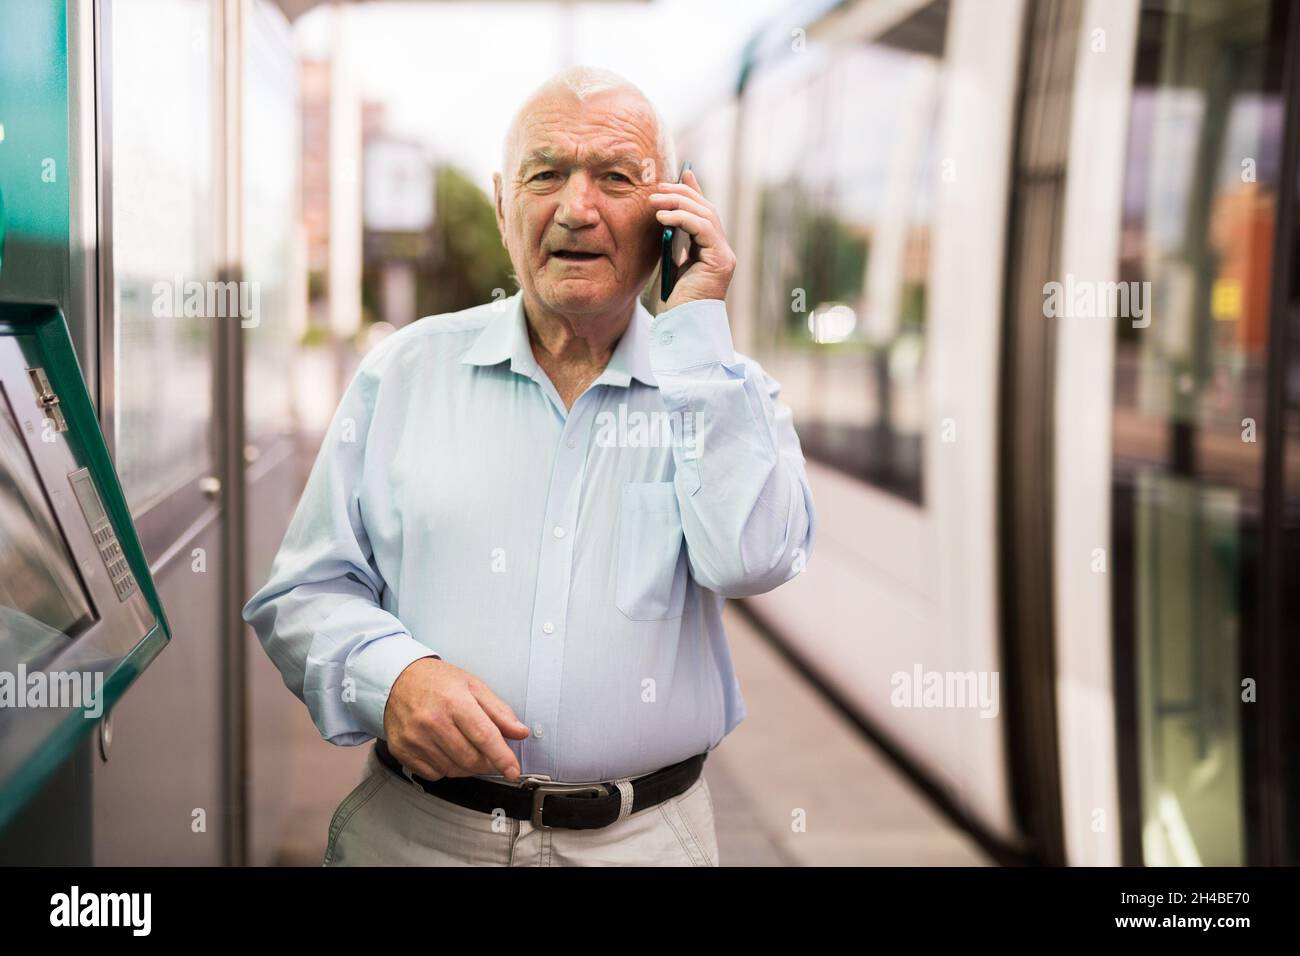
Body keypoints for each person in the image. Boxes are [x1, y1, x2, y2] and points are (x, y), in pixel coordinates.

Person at [243, 65, 815, 866]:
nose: (576, 209)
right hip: (418, 836)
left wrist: (697, 339)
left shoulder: (726, 393)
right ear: (502, 200)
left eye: (616, 178)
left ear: (673, 214)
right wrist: (392, 677)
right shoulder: (402, 373)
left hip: (645, 842)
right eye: (545, 174)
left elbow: (753, 560)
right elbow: (300, 594)